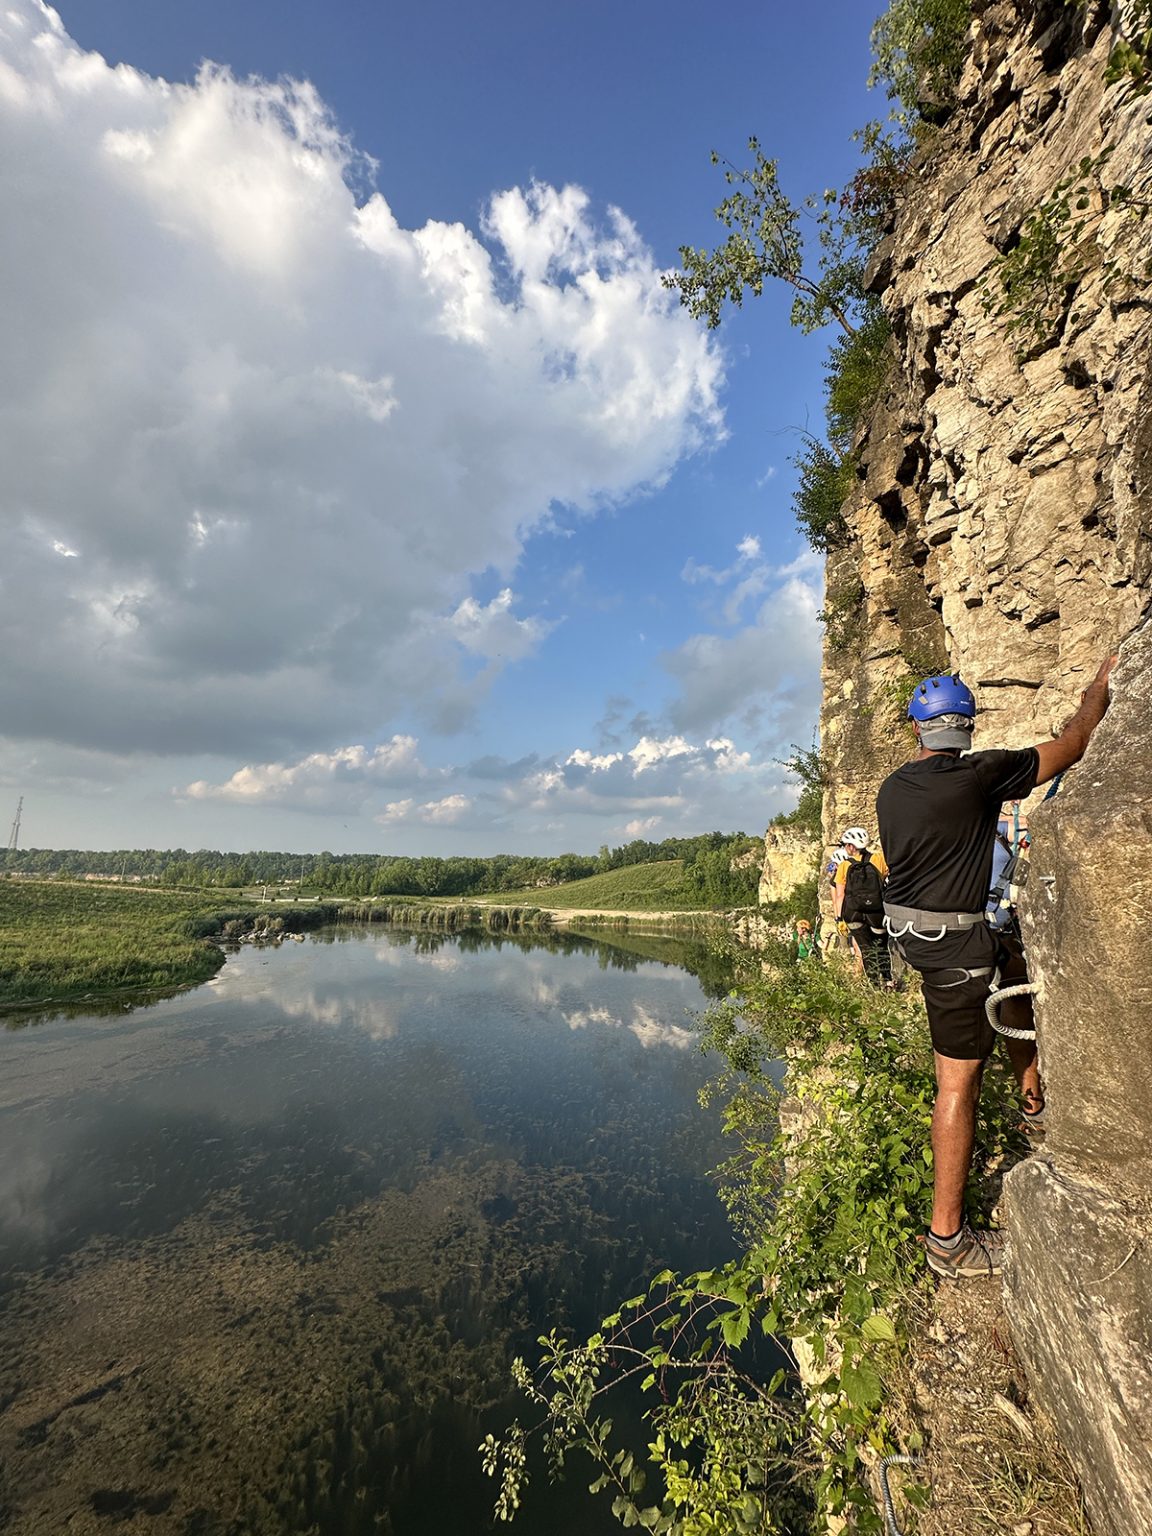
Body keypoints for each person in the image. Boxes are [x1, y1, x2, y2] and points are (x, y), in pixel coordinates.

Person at [876, 659, 1116, 1280]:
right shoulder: (981, 775)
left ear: (917, 730)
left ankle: (1032, 1100)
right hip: (955, 954)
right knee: (957, 1085)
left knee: (1008, 963)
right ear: (968, 728)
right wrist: (1097, 689)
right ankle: (947, 1241)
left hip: (915, 940)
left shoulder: (893, 787)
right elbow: (1074, 743)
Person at [833, 828, 890, 986]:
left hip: (854, 913)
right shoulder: (879, 859)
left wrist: (839, 919)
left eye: (845, 845)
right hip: (877, 911)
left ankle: (874, 985)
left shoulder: (844, 866)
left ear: (851, 846)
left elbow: (840, 895)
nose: (845, 848)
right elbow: (886, 879)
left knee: (866, 949)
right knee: (881, 946)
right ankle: (887, 980)